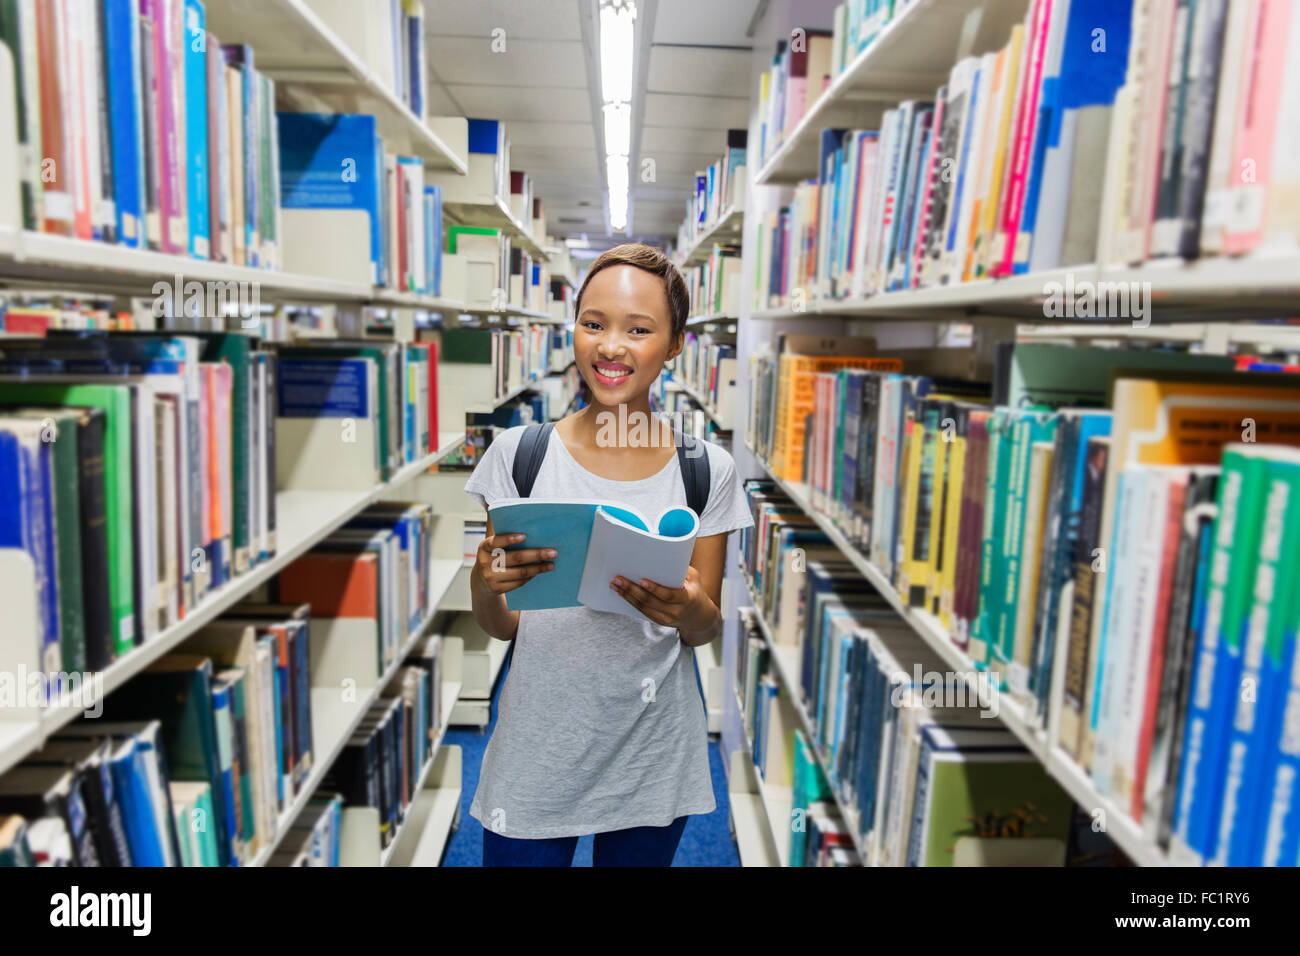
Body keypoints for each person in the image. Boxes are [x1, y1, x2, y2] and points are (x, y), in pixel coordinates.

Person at [462, 243, 753, 866]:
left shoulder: (707, 470)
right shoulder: (519, 456)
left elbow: (704, 631)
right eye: (593, 324)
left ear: (676, 345)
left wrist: (688, 607)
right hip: (538, 743)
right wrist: (486, 584)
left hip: (651, 747)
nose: (611, 346)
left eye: (638, 329)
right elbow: (501, 625)